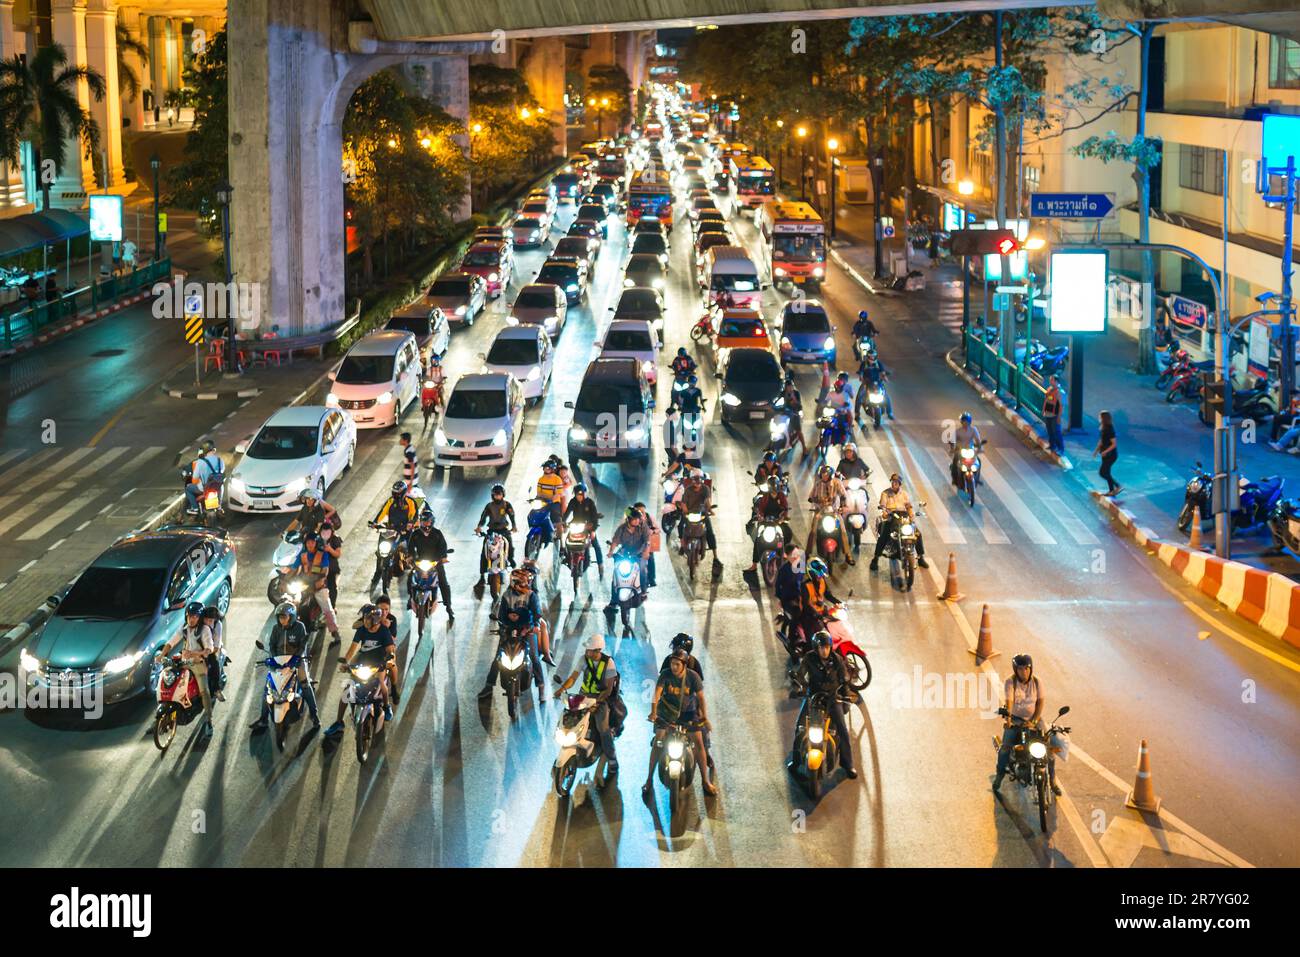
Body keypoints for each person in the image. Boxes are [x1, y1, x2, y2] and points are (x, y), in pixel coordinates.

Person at [645, 649, 717, 797]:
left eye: (677, 664)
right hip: (666, 713)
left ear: (684, 665)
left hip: (688, 714)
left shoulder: (693, 677)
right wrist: (653, 712)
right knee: (658, 741)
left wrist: (704, 719)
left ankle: (705, 781)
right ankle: (649, 780)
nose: (674, 667)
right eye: (672, 664)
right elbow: (656, 694)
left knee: (699, 743)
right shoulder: (665, 675)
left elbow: (701, 698)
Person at [788, 631, 857, 780]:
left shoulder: (837, 659)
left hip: (832, 699)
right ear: (816, 648)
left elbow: (844, 680)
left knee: (843, 731)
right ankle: (796, 761)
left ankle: (848, 764)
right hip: (813, 697)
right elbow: (800, 675)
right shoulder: (809, 659)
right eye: (821, 647)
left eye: (827, 647)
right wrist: (797, 687)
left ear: (831, 647)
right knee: (799, 727)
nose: (824, 650)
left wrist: (846, 693)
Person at [554, 635, 623, 779]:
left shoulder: (609, 663)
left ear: (597, 650)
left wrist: (597, 702)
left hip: (601, 699)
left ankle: (612, 760)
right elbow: (573, 678)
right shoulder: (583, 659)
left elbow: (608, 689)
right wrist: (562, 689)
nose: (587, 652)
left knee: (603, 729)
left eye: (590, 650)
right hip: (584, 696)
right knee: (569, 718)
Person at [324, 605, 399, 736]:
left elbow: (390, 650)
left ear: (375, 619)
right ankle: (339, 722)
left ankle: (387, 707)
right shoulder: (362, 630)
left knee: (382, 684)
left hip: (379, 661)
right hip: (362, 659)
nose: (365, 621)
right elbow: (353, 648)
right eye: (364, 618)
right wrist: (347, 662)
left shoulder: (384, 631)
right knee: (348, 689)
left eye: (367, 618)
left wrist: (388, 661)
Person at [993, 654, 1060, 796]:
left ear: (1031, 668)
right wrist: (1009, 719)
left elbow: (1040, 703)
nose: (1024, 672)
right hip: (1016, 719)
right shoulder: (1010, 682)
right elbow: (1009, 701)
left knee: (1049, 750)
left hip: (1034, 719)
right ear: (1015, 670)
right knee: (1005, 749)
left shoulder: (1037, 682)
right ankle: (999, 776)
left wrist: (1034, 721)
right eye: (1020, 669)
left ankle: (1053, 781)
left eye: (1026, 669)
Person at [478, 570, 549, 702]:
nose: (524, 584)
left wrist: (533, 626)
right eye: (521, 582)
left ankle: (541, 687)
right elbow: (501, 615)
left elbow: (537, 613)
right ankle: (489, 686)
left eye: (526, 582)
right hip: (508, 630)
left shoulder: (531, 596)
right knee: (498, 657)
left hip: (527, 630)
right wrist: (504, 624)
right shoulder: (506, 595)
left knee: (534, 656)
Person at [249, 602, 320, 733]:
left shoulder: (300, 627)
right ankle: (263, 719)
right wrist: (274, 658)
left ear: (291, 616)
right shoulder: (276, 629)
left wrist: (297, 658)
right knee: (268, 689)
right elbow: (272, 645)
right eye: (280, 617)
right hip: (280, 662)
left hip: (297, 660)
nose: (282, 620)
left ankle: (314, 716)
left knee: (305, 684)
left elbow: (303, 645)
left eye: (284, 617)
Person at [154, 602, 215, 736]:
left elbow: (209, 649)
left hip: (198, 663)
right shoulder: (184, 628)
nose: (191, 619)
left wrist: (194, 654)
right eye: (189, 616)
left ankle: (209, 721)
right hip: (184, 661)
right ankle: (162, 717)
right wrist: (162, 655)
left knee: (204, 691)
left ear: (200, 617)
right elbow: (171, 642)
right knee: (168, 680)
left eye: (194, 616)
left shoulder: (204, 630)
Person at [869, 472, 929, 571]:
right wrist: (884, 512)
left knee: (917, 533)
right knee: (883, 536)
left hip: (903, 517)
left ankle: (921, 558)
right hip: (892, 517)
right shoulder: (885, 493)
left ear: (900, 484)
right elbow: (883, 506)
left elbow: (908, 506)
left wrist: (911, 514)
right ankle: (875, 559)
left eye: (896, 482)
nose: (894, 484)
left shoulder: (904, 494)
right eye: (892, 482)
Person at [405, 507, 454, 623]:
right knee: (410, 579)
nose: (425, 523)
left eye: (428, 521)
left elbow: (443, 547)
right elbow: (411, 547)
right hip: (420, 562)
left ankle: (449, 607)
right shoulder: (416, 534)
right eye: (423, 521)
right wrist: (410, 556)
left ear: (432, 522)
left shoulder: (437, 534)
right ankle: (410, 598)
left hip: (435, 563)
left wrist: (443, 558)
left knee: (443, 583)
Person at [293, 532, 344, 642]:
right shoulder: (302, 555)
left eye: (312, 542)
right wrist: (285, 577)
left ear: (316, 543)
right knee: (294, 604)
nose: (310, 544)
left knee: (327, 608)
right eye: (308, 542)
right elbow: (293, 568)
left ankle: (335, 632)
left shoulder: (322, 554)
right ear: (305, 544)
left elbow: (325, 570)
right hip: (305, 586)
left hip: (318, 585)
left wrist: (320, 578)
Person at [806, 464, 853, 564]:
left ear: (831, 475)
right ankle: (807, 553)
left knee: (843, 530)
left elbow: (843, 495)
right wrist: (816, 500)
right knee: (813, 530)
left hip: (835, 512)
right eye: (823, 474)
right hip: (821, 512)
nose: (824, 476)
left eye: (826, 474)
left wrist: (843, 506)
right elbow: (811, 496)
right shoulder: (818, 484)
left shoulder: (837, 483)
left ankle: (848, 555)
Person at [747, 477, 792, 572]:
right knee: (758, 539)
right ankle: (754, 564)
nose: (774, 489)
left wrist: (782, 518)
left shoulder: (781, 496)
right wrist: (761, 517)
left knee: (788, 533)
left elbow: (785, 508)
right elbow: (761, 509)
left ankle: (784, 552)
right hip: (766, 521)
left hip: (778, 521)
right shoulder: (765, 497)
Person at [474, 484, 518, 581]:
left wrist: (514, 526)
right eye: (495, 494)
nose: (497, 496)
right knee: (484, 550)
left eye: (499, 494)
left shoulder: (507, 505)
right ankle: (482, 574)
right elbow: (483, 518)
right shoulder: (489, 506)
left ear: (503, 495)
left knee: (509, 544)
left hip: (503, 530)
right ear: (492, 495)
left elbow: (511, 516)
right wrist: (479, 527)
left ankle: (510, 559)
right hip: (492, 531)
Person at [797, 558, 841, 647]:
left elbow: (828, 595)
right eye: (819, 575)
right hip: (808, 615)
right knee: (812, 643)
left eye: (822, 575)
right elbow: (806, 605)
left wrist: (840, 603)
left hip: (821, 612)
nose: (821, 577)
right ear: (811, 574)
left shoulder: (822, 581)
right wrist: (816, 614)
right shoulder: (805, 586)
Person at [676, 469, 718, 558]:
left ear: (702, 479)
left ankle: (715, 556)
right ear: (692, 480)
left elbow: (707, 501)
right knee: (680, 527)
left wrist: (710, 510)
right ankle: (683, 545)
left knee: (710, 532)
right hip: (689, 513)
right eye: (695, 479)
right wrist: (685, 512)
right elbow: (683, 503)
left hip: (702, 513)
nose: (697, 481)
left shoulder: (706, 489)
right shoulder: (688, 490)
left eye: (699, 479)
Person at [563, 483, 603, 573]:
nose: (580, 496)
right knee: (567, 541)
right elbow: (567, 513)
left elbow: (594, 517)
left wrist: (593, 530)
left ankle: (600, 565)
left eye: (582, 494)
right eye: (578, 494)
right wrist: (563, 522)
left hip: (588, 526)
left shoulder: (590, 503)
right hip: (575, 524)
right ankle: (567, 557)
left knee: (596, 545)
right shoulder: (573, 501)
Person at [183, 437, 224, 514]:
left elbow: (195, 478)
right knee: (222, 486)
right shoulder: (220, 460)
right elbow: (222, 473)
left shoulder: (200, 462)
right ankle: (219, 507)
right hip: (217, 487)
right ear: (214, 450)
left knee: (188, 488)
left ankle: (195, 508)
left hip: (203, 488)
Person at [855, 353, 894, 424]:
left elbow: (883, 372)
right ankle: (857, 413)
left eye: (873, 356)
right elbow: (861, 372)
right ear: (868, 357)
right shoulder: (864, 364)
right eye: (871, 357)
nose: (872, 358)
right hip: (867, 383)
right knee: (859, 396)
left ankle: (890, 413)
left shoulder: (878, 363)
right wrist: (861, 377)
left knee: (886, 396)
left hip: (878, 383)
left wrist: (885, 378)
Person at [782, 374, 811, 462]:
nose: (790, 388)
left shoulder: (796, 393)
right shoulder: (782, 394)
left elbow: (799, 406)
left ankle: (804, 447)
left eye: (791, 387)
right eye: (788, 387)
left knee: (799, 431)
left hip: (794, 414)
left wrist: (794, 400)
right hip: (785, 415)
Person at [950, 412, 983, 489]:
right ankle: (955, 479)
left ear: (970, 422)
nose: (965, 423)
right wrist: (952, 448)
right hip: (960, 450)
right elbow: (953, 440)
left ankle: (977, 479)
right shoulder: (958, 431)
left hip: (970, 450)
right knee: (955, 463)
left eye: (967, 421)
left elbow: (978, 440)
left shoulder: (973, 430)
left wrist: (980, 447)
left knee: (978, 462)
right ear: (961, 422)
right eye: (964, 421)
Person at [200, 605, 227, 702]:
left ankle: (216, 690)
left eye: (211, 621)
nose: (208, 623)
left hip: (211, 650)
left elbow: (216, 646)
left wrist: (205, 654)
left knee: (214, 665)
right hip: (198, 650)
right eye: (206, 620)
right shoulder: (199, 624)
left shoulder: (218, 625)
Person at [775, 544, 805, 628]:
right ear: (786, 556)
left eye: (797, 554)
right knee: (796, 615)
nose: (795, 557)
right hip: (788, 599)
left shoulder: (801, 565)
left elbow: (802, 580)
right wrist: (781, 599)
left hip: (800, 596)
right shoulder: (783, 570)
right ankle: (791, 638)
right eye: (792, 554)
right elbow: (778, 586)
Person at [1094, 409, 1121, 497]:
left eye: (1100, 416)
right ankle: (1111, 491)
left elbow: (1114, 444)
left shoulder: (1109, 429)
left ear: (1103, 418)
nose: (1098, 418)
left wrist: (1104, 451)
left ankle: (1117, 486)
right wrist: (1096, 451)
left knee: (1102, 472)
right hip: (1105, 455)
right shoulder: (1103, 428)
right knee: (1107, 473)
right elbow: (1101, 441)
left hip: (1111, 455)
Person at [535, 459, 567, 530]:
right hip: (542, 502)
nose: (545, 470)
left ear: (552, 469)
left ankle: (559, 537)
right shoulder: (541, 479)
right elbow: (538, 493)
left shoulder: (557, 479)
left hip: (554, 503)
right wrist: (550, 496)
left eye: (547, 468)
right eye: (545, 468)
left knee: (557, 520)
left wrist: (545, 495)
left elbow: (557, 495)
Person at [319, 523, 343, 608]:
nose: (325, 534)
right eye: (323, 532)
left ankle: (332, 606)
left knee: (332, 587)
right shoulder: (317, 539)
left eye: (327, 532)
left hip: (331, 568)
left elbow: (338, 554)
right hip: (318, 567)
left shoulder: (335, 540)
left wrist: (329, 549)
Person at [1042, 376, 1064, 454]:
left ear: (1056, 381)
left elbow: (1061, 405)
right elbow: (1046, 400)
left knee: (1056, 432)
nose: (1050, 381)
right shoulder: (1049, 389)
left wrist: (1059, 416)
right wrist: (1043, 410)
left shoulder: (1059, 392)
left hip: (1054, 415)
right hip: (1048, 413)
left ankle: (1060, 449)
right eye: (1050, 380)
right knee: (1050, 431)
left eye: (1052, 380)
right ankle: (1052, 445)